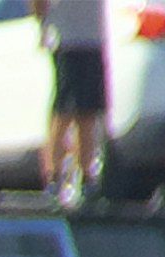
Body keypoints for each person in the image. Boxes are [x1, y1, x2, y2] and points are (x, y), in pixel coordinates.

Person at [47, 0, 111, 202]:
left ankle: (85, 176)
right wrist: (42, 24)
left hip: (92, 39)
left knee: (88, 112)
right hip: (66, 40)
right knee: (64, 111)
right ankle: (53, 176)